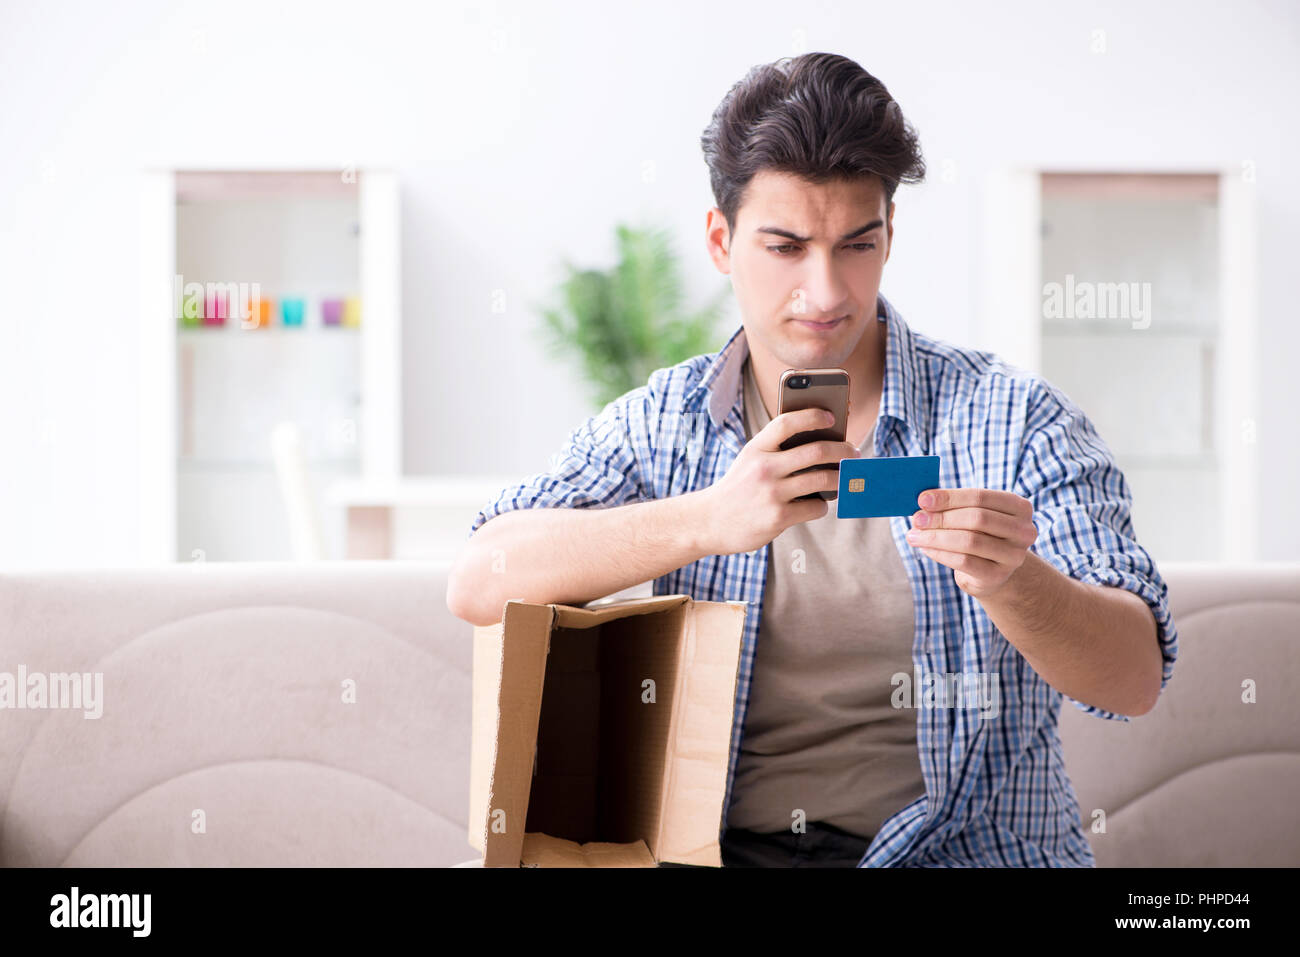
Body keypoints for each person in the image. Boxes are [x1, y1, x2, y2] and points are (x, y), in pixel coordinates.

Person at [447, 51, 1178, 867]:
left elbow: (1134, 679)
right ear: (722, 241)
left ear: (890, 236)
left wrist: (1017, 580)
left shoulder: (1014, 419)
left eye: (855, 245)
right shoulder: (667, 421)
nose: (826, 292)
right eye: (787, 247)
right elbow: (480, 578)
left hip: (962, 854)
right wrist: (705, 519)